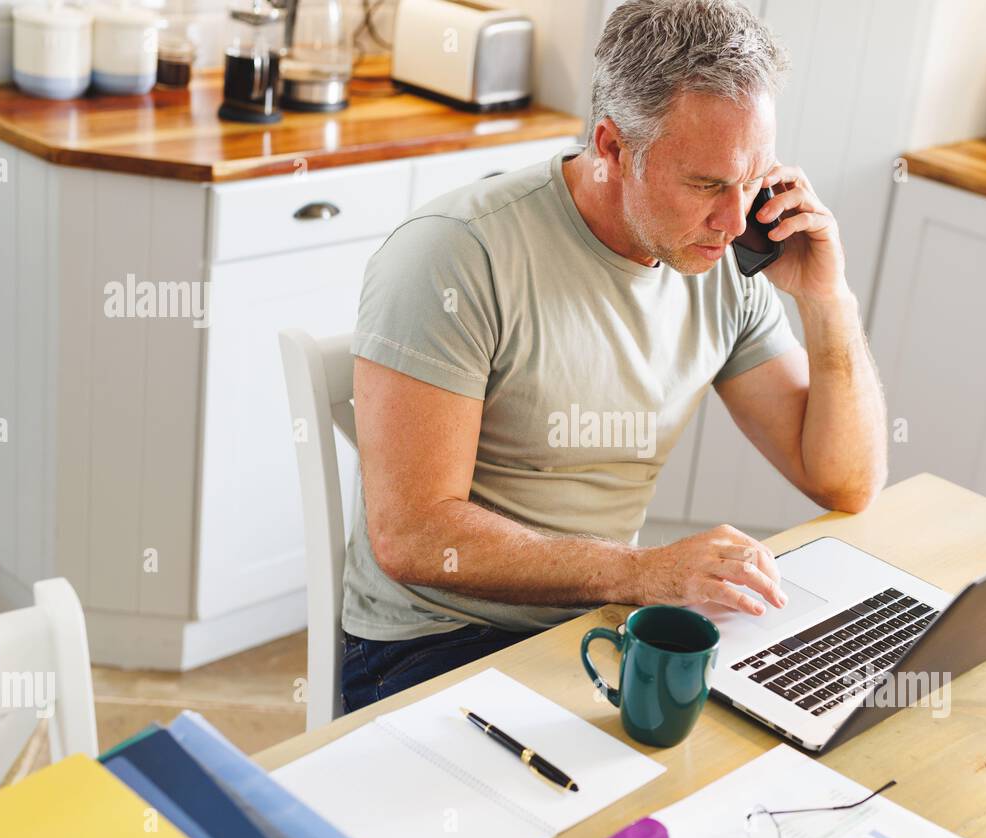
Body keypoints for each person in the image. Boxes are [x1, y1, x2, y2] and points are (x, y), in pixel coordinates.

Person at [340, 0, 888, 714]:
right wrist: (640, 571)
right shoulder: (457, 252)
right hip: (435, 641)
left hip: (598, 616)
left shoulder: (717, 261)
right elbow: (413, 536)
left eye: (753, 179)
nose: (733, 219)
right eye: (706, 184)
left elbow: (844, 480)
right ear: (611, 146)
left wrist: (829, 300)